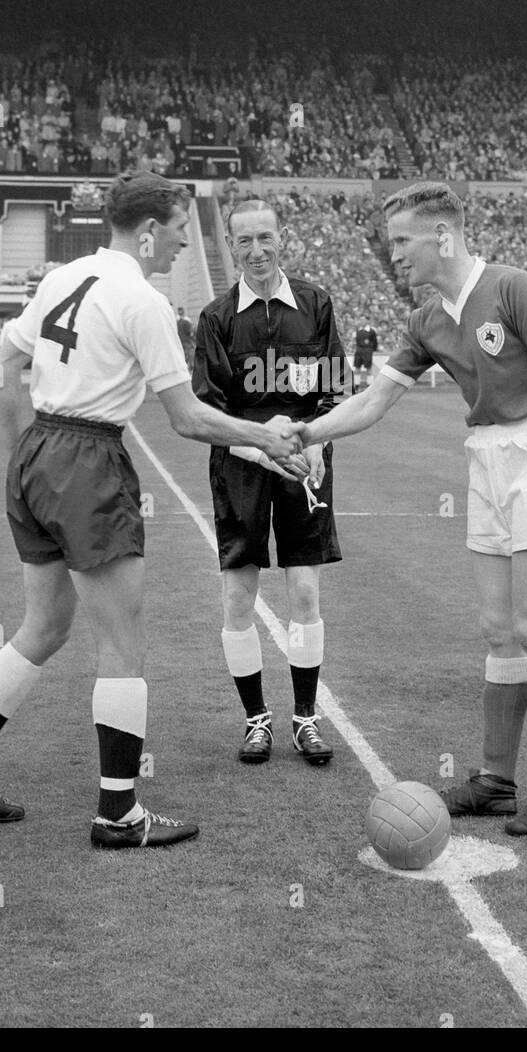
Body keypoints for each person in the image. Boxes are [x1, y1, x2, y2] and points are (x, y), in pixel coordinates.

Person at [0, 172, 305, 849]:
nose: (187, 240)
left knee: (44, 626)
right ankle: (118, 813)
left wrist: (22, 454)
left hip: (39, 451)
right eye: (181, 227)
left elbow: (3, 368)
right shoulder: (143, 300)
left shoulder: (62, 277)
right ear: (151, 231)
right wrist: (266, 438)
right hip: (89, 460)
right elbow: (186, 419)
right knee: (121, 643)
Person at [297, 183, 527, 836]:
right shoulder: (426, 321)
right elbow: (373, 401)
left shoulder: (513, 287)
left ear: (443, 235)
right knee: (497, 626)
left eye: (402, 241)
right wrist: (307, 433)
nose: (393, 254)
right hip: (485, 458)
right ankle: (496, 782)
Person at [193, 198, 347, 768]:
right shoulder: (215, 320)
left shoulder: (316, 304)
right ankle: (256, 720)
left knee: (304, 591)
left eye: (266, 238)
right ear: (231, 248)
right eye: (244, 242)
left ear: (282, 237)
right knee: (239, 596)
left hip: (304, 464)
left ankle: (306, 719)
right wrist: (263, 447)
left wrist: (318, 445)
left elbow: (334, 393)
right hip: (241, 469)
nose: (257, 251)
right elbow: (207, 413)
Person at [352, 322, 378, 392]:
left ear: (367, 321)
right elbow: (356, 341)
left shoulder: (372, 331)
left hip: (367, 351)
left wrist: (372, 350)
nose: (362, 320)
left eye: (364, 319)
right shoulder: (358, 330)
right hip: (358, 351)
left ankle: (370, 386)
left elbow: (375, 341)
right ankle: (356, 386)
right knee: (357, 368)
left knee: (368, 369)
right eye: (361, 318)